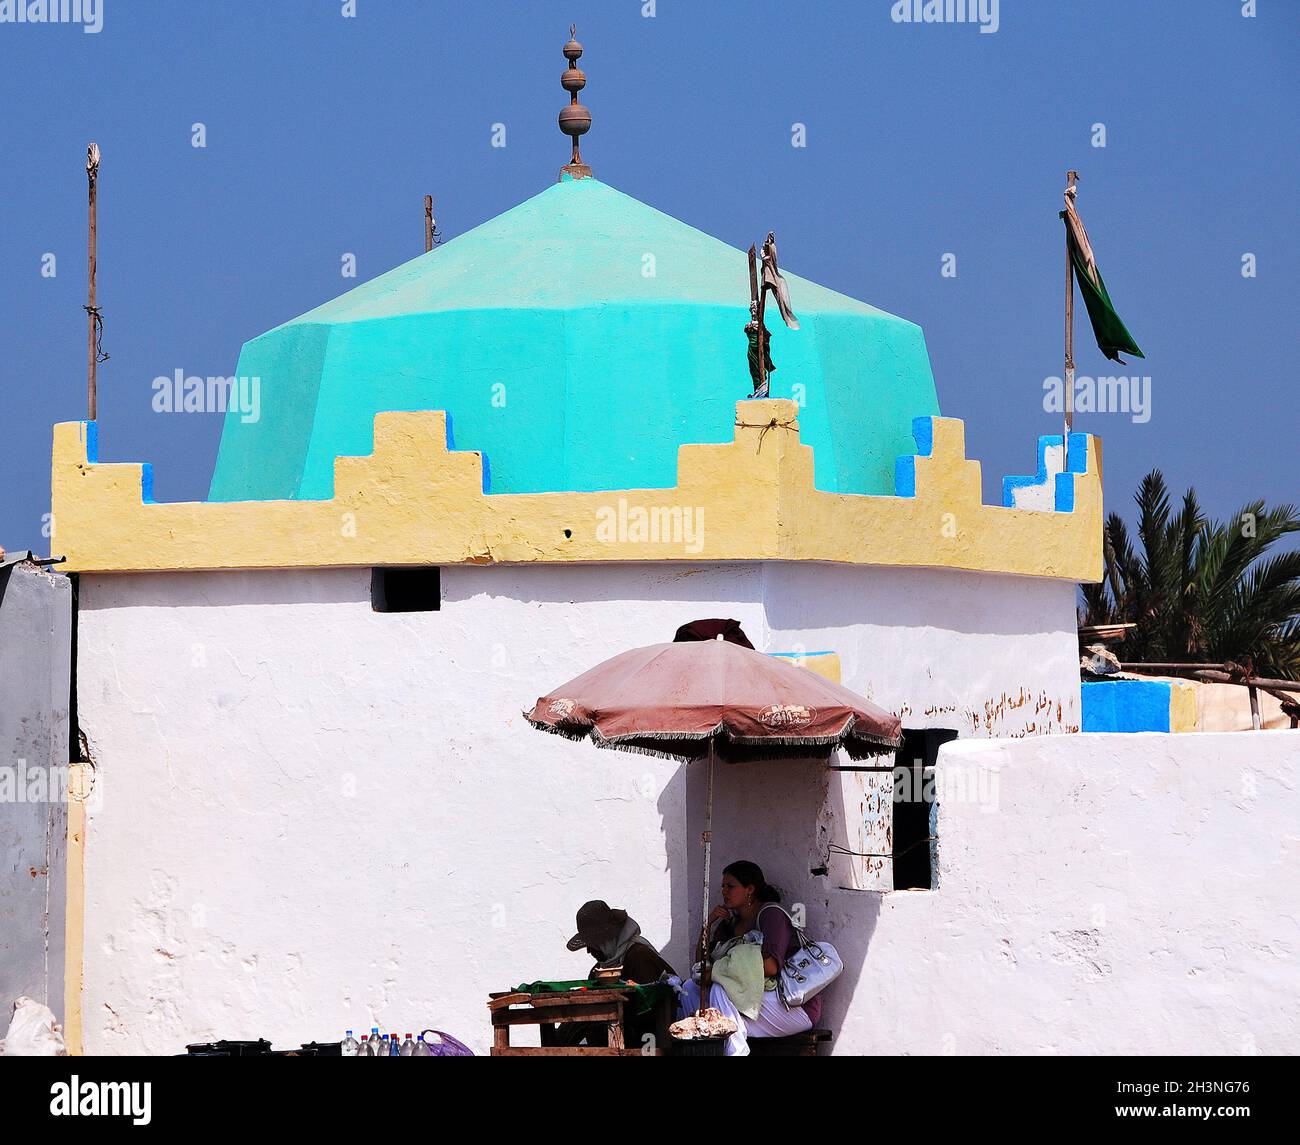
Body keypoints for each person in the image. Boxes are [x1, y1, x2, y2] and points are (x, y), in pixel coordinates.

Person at [674, 860, 823, 1056]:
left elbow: (771, 967)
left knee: (721, 987)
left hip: (792, 1006)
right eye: (723, 886)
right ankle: (694, 1049)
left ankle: (736, 1053)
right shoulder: (730, 923)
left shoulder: (771, 914)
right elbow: (702, 967)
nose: (724, 891)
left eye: (731, 886)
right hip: (753, 1000)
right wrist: (707, 926)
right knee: (689, 989)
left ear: (749, 889)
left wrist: (718, 972)